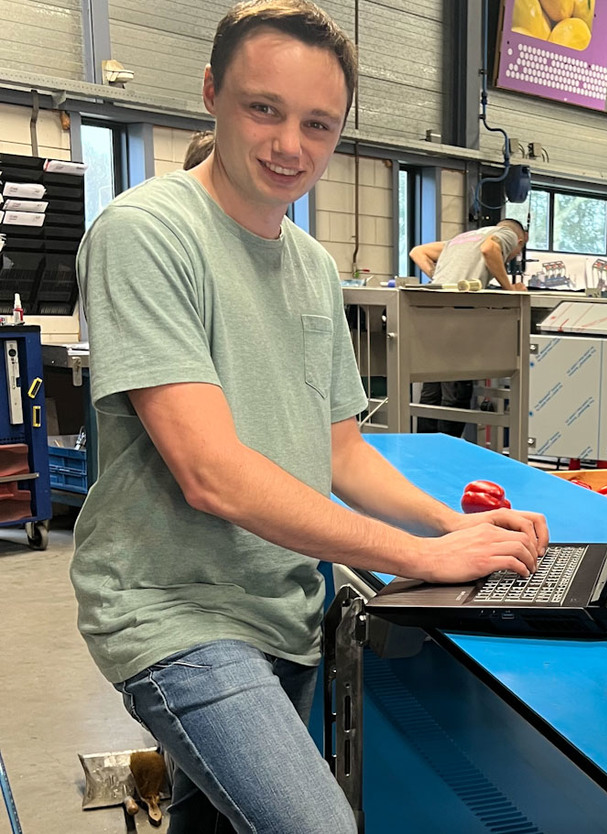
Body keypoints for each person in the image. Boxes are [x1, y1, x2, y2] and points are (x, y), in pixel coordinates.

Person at [72, 2, 549, 831]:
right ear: (213, 92)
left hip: (283, 604)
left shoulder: (311, 267)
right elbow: (210, 474)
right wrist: (414, 555)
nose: (290, 145)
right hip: (176, 613)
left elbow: (341, 452)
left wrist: (452, 534)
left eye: (318, 124)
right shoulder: (146, 234)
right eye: (264, 109)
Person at [408, 220, 529, 436]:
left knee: (432, 389)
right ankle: (449, 453)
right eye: (517, 251)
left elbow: (418, 252)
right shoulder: (507, 234)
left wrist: (439, 278)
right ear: (520, 241)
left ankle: (423, 453)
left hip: (431, 309)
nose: (513, 255)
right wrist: (510, 290)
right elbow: (489, 249)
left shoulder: (462, 239)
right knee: (456, 390)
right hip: (457, 314)